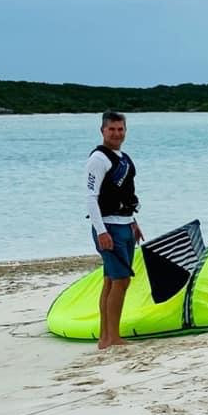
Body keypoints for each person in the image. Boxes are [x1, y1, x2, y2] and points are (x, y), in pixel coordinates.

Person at [85, 110, 143, 349]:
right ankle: (113, 338)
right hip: (109, 228)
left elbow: (126, 194)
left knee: (111, 280)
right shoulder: (98, 160)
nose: (116, 134)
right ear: (103, 131)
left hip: (124, 224)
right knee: (120, 281)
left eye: (120, 129)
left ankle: (105, 337)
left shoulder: (123, 158)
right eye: (112, 129)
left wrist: (133, 222)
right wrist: (101, 231)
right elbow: (91, 197)